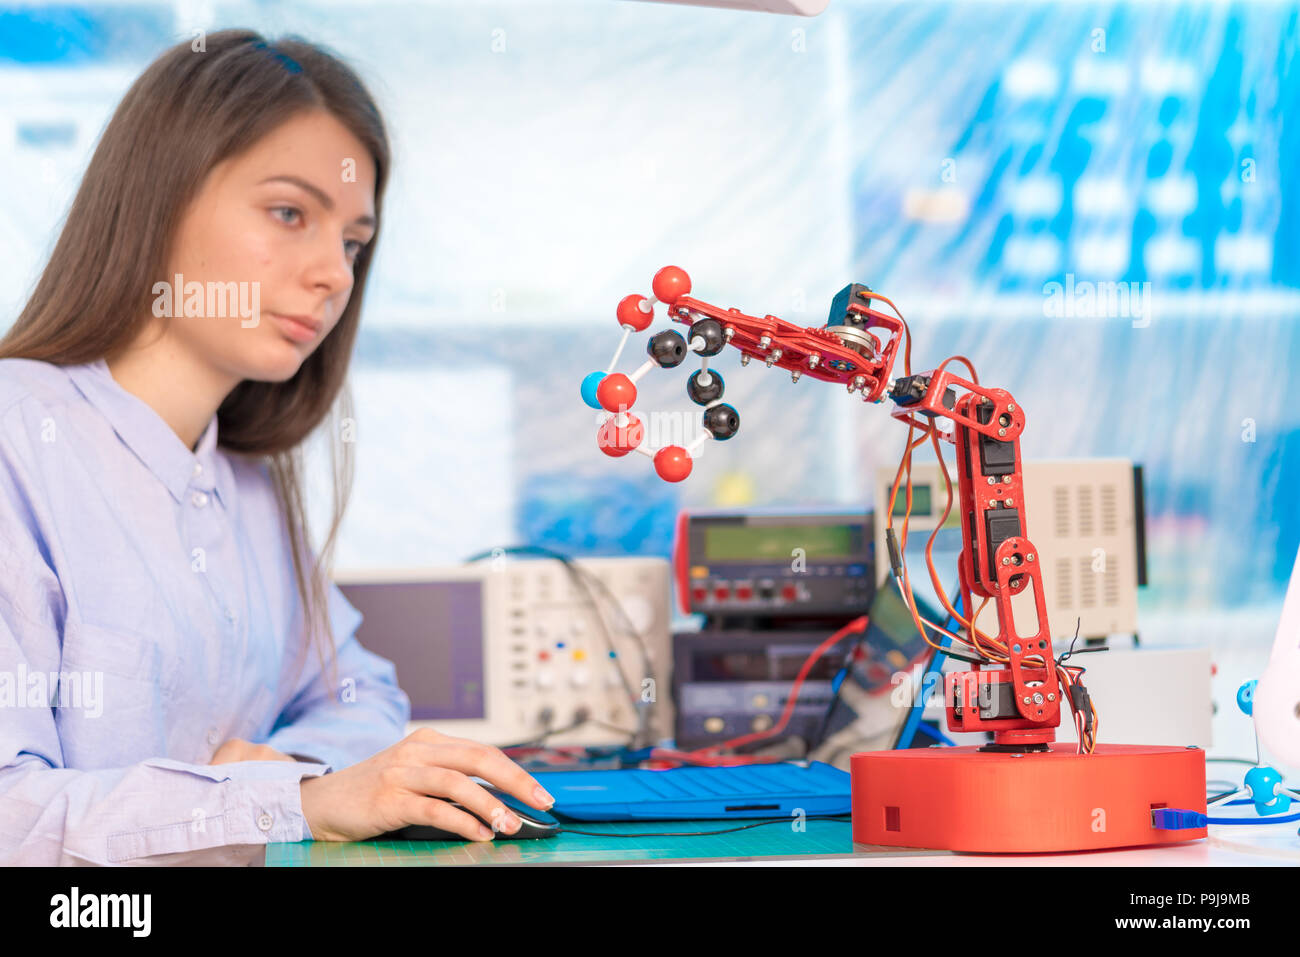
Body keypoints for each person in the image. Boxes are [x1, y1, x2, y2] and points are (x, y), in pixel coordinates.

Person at [0, 29, 554, 865]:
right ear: (159, 198)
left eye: (353, 241)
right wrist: (275, 800)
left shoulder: (245, 482)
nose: (334, 271)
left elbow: (363, 693)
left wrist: (285, 777)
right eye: (290, 212)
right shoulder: (19, 440)